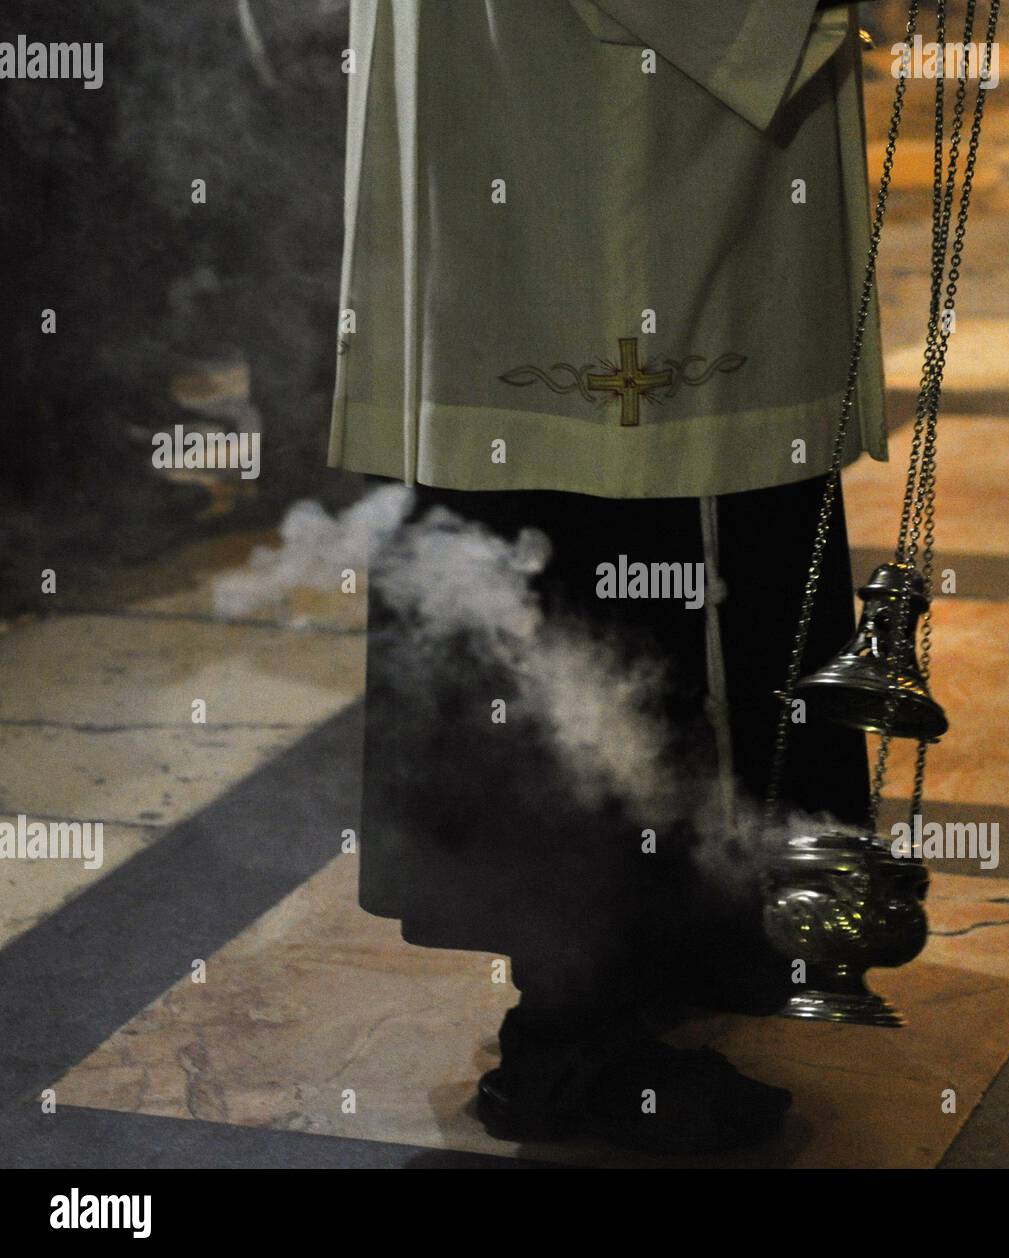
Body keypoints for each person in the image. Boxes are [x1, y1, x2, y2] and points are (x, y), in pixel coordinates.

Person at [329, 0, 886, 1153]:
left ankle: (676, 931)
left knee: (668, 510)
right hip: (581, 123)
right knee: (592, 529)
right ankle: (581, 1027)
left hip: (608, 104)